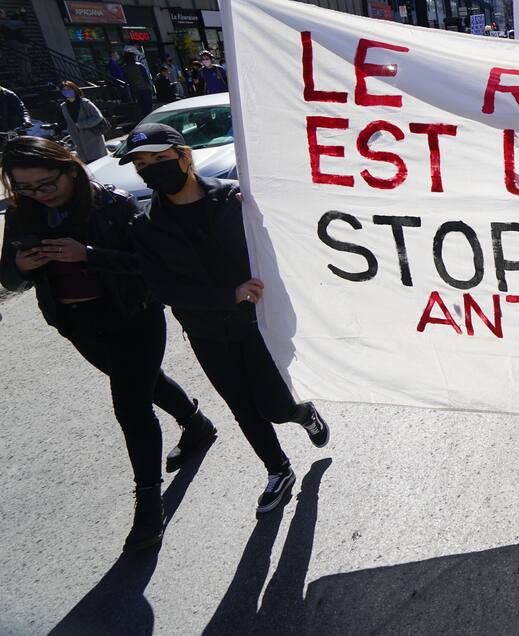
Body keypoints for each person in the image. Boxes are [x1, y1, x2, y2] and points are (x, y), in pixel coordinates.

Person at [0, 137, 216, 552]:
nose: (37, 196)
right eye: (23, 188)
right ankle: (196, 423)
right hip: (75, 323)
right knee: (144, 383)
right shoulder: (22, 213)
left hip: (132, 317)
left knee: (131, 408)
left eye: (45, 185)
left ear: (69, 168)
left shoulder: (112, 204)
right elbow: (9, 278)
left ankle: (149, 503)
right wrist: (20, 266)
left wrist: (89, 255)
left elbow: (151, 267)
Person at [125, 125, 329, 516]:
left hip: (259, 326)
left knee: (274, 406)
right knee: (241, 407)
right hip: (207, 332)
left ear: (185, 156)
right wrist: (226, 295)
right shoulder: (144, 223)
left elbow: (282, 241)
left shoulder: (235, 198)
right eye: (141, 164)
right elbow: (163, 288)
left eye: (158, 159)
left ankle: (303, 413)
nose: (149, 170)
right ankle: (277, 470)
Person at [59, 81, 109, 163]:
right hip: (78, 141)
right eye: (64, 90)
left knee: (99, 162)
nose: (67, 91)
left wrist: (82, 124)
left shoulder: (84, 102)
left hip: (93, 137)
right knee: (87, 165)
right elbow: (69, 123)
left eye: (69, 89)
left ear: (74, 89)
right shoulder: (64, 106)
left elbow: (98, 117)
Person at [121, 51, 155, 118]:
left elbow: (126, 80)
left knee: (141, 110)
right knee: (148, 109)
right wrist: (150, 88)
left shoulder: (124, 68)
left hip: (135, 91)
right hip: (145, 90)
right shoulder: (139, 66)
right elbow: (146, 78)